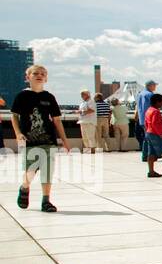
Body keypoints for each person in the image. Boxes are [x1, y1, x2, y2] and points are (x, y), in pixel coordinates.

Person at [11, 64, 71, 212]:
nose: (39, 75)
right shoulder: (22, 96)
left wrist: (64, 140)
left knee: (47, 171)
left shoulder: (49, 97)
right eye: (35, 73)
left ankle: (46, 201)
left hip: (49, 140)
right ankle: (24, 188)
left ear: (46, 78)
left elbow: (56, 120)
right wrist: (18, 133)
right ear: (28, 77)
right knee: (30, 172)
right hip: (29, 141)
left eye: (43, 74)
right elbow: (14, 116)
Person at [76, 89, 98, 154]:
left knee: (90, 136)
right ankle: (87, 149)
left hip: (89, 122)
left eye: (83, 94)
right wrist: (80, 112)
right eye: (81, 94)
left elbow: (92, 110)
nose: (81, 96)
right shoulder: (83, 103)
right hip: (83, 121)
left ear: (87, 95)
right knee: (85, 137)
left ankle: (92, 150)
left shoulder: (91, 101)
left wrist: (81, 111)